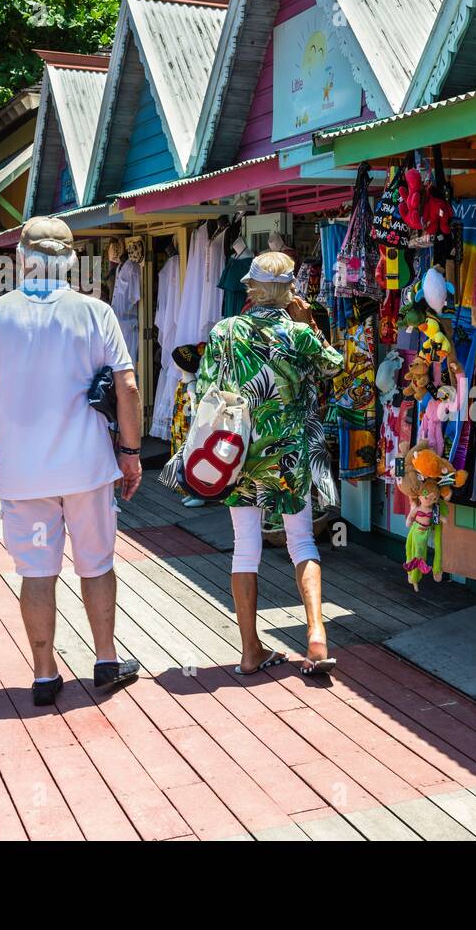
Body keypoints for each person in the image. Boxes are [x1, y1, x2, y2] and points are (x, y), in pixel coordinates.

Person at [0, 217, 142, 706]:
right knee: (96, 565)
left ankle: (43, 673)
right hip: (87, 470)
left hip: (24, 475)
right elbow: (128, 387)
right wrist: (131, 454)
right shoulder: (95, 313)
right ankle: (105, 659)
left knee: (36, 572)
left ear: (20, 258)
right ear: (71, 260)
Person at [195, 250, 344, 676]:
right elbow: (334, 366)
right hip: (290, 451)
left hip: (238, 451)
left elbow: (205, 387)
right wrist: (309, 322)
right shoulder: (299, 334)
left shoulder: (225, 331)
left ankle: (250, 650)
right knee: (302, 541)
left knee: (246, 547)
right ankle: (316, 636)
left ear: (252, 289)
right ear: (289, 291)